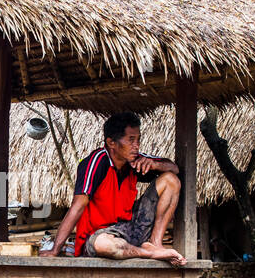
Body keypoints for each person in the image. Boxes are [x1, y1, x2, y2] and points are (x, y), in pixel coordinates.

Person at [41, 111, 186, 264]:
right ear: (111, 143)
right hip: (99, 235)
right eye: (131, 140)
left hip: (131, 229)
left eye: (138, 139)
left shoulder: (135, 160)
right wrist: (55, 250)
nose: (136, 146)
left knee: (171, 179)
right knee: (105, 244)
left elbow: (174, 168)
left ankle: (155, 245)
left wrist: (155, 164)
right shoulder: (96, 162)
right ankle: (149, 253)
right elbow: (77, 206)